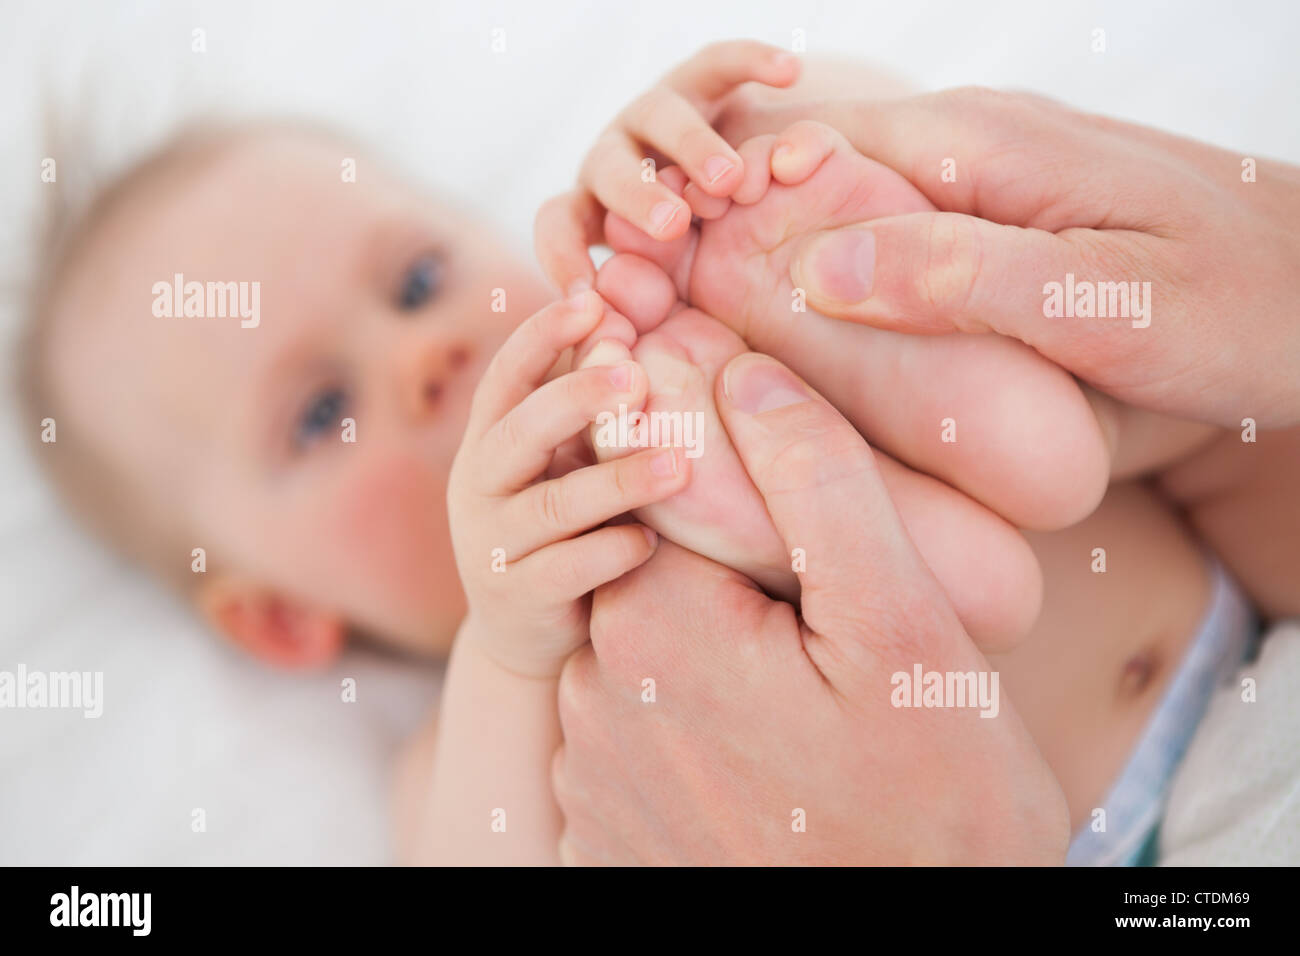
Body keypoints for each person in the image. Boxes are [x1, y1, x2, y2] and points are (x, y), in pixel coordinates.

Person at [541, 81, 1300, 865]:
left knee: (1215, 434)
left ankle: (951, 448)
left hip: (1242, 622)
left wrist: (726, 137)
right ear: (396, 648)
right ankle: (854, 518)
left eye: (423, 279)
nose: (430, 359)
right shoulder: (498, 716)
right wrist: (501, 657)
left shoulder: (630, 383)